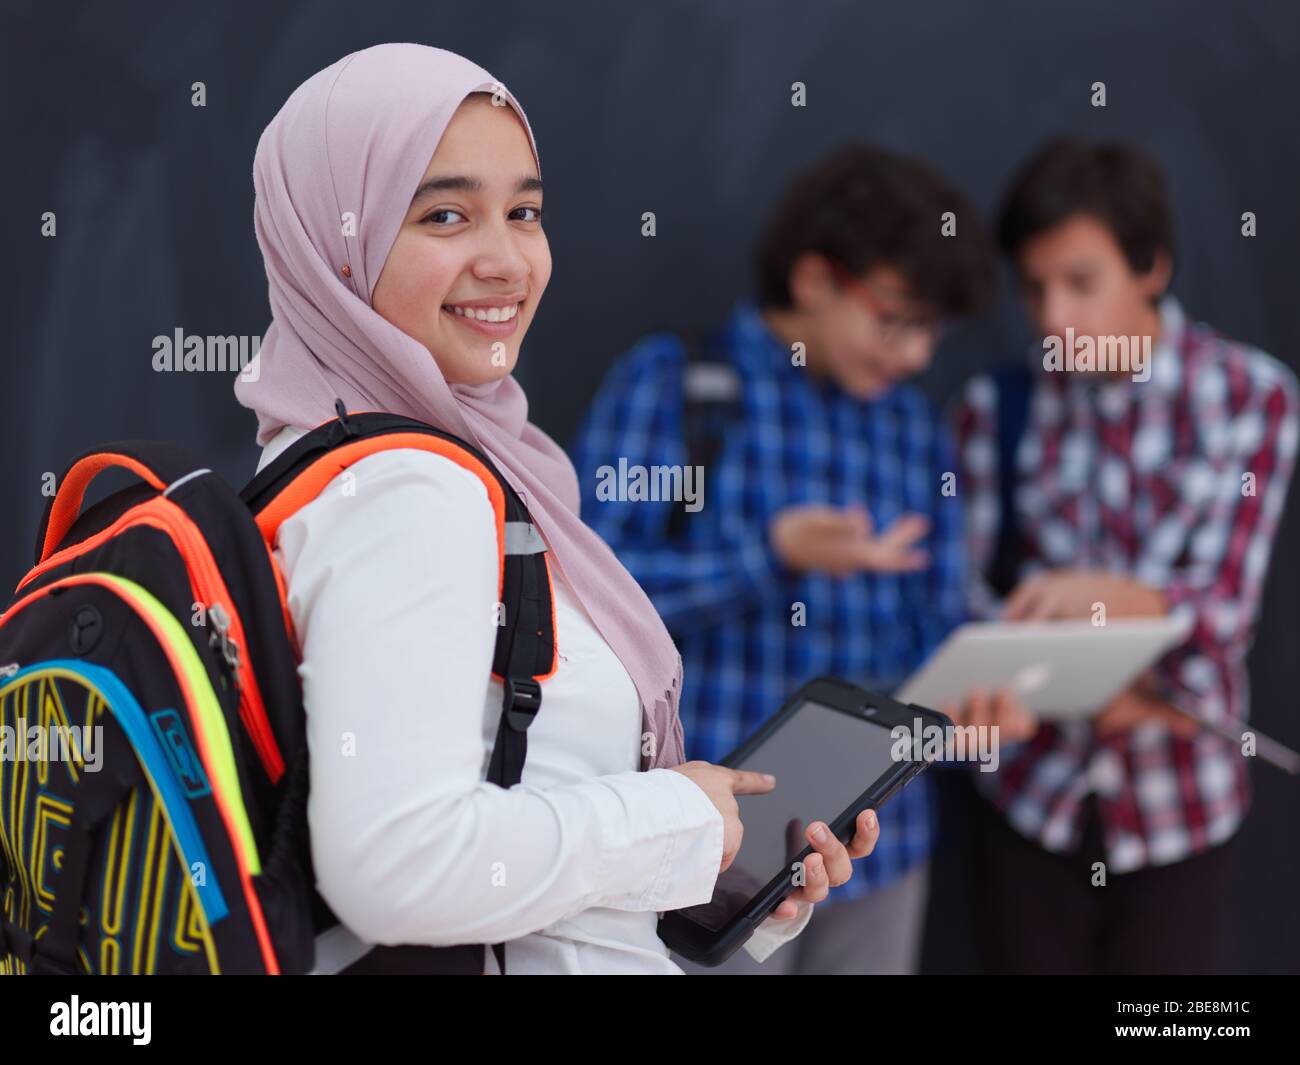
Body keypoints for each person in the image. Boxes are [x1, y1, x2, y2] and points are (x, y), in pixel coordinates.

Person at [231, 43, 883, 975]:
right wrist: (678, 815)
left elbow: (516, 852)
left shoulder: (328, 457)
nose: (505, 260)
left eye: (524, 212)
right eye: (445, 214)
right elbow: (394, 867)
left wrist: (721, 879)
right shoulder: (413, 490)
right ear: (335, 241)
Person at [570, 144, 1024, 974]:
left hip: (882, 845)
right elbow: (590, 600)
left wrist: (988, 683)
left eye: (934, 331)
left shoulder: (915, 429)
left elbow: (939, 615)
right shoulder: (676, 387)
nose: (917, 355)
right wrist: (770, 554)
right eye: (897, 319)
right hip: (705, 847)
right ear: (815, 279)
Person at [950, 137, 1299, 974]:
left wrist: (1098, 597)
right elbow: (967, 606)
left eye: (1081, 282)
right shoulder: (993, 408)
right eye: (1034, 289)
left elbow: (1224, 612)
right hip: (1031, 798)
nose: (1053, 318)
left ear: (1151, 266)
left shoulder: (1253, 396)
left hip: (1183, 803)